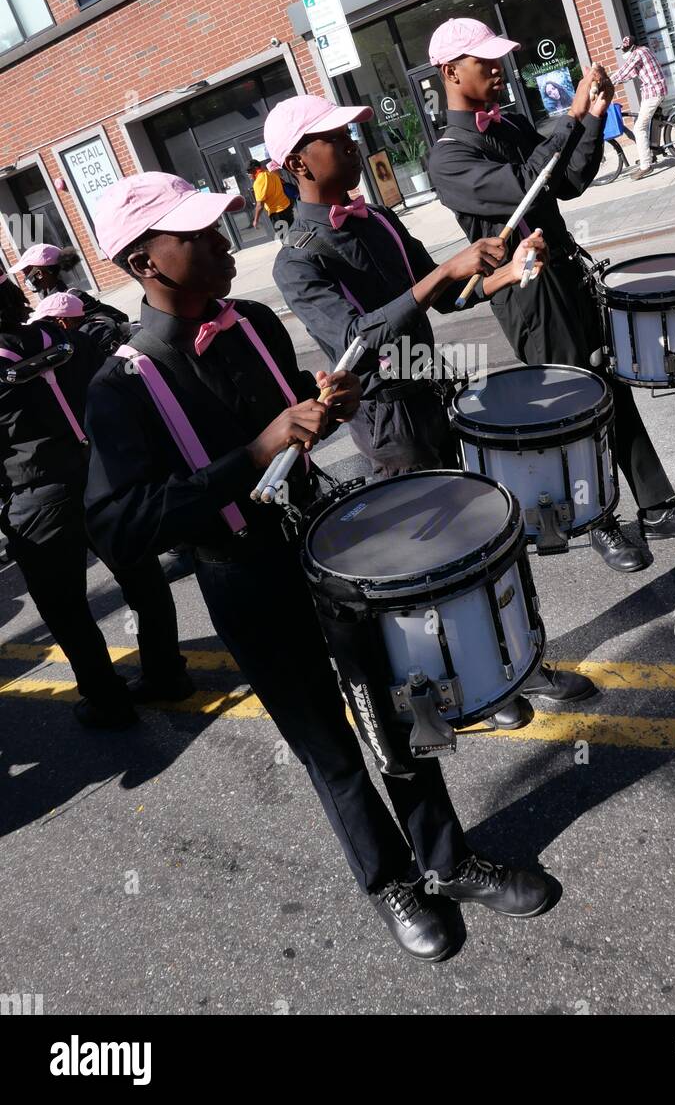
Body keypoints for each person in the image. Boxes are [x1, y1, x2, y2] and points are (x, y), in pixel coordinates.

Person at [83, 170, 554, 961]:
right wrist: (260, 448)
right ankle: (388, 882)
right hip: (242, 575)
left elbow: (301, 398)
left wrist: (321, 403)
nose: (219, 242)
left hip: (327, 548)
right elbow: (118, 525)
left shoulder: (255, 323)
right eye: (193, 235)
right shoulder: (120, 384)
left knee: (400, 713)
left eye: (215, 225)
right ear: (144, 263)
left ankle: (447, 861)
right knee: (329, 749)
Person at [268, 93, 593, 714]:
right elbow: (358, 336)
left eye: (351, 134)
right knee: (433, 564)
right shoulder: (297, 260)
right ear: (299, 162)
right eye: (334, 139)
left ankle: (522, 662)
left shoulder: (379, 220)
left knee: (487, 540)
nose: (352, 146)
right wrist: (445, 272)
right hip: (389, 419)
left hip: (434, 387)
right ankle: (471, 680)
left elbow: (453, 297)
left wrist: (510, 270)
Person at [425, 17, 675, 573]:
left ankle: (657, 505)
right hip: (528, 290)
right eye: (484, 62)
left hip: (569, 270)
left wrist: (590, 118)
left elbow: (567, 181)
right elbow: (525, 185)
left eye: (499, 59)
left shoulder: (510, 122)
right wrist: (570, 117)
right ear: (450, 72)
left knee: (611, 384)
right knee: (573, 406)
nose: (498, 69)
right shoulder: (447, 156)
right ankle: (598, 521)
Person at [0, 272, 185, 728]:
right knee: (141, 577)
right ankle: (167, 673)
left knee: (65, 609)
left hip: (36, 495)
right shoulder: (61, 335)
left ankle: (107, 700)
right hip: (101, 472)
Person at [7, 243, 129, 327]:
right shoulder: (47, 297)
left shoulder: (72, 297)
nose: (25, 278)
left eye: (26, 273)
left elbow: (119, 317)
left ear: (39, 274)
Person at [608, 35, 667, 179]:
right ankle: (649, 153)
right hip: (655, 91)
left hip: (653, 93)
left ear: (631, 47)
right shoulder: (644, 50)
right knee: (647, 123)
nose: (623, 53)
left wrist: (607, 82)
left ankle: (645, 166)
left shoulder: (637, 53)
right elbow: (631, 73)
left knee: (639, 128)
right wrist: (617, 82)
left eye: (625, 49)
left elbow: (624, 70)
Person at [249, 158, 293, 231]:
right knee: (295, 233)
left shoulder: (258, 182)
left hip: (277, 213)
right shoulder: (271, 173)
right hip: (287, 206)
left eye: (249, 171)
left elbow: (260, 205)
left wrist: (255, 220)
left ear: (255, 169)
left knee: (286, 239)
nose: (248, 174)